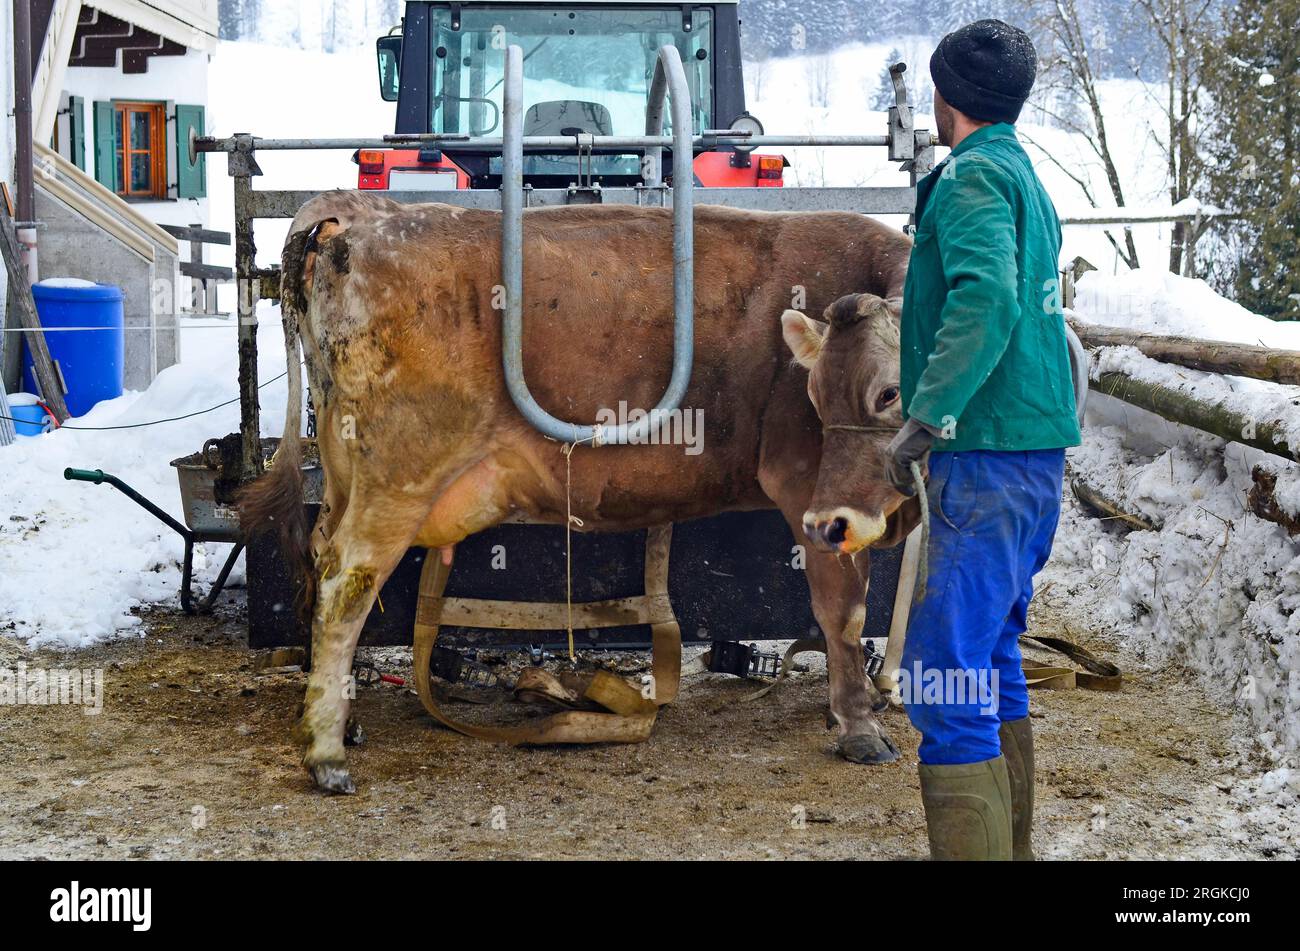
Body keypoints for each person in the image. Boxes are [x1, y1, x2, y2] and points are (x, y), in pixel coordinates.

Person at [884, 19, 1083, 861]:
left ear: (944, 96)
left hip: (985, 453)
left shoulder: (968, 180)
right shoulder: (1022, 174)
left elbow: (987, 298)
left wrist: (926, 413)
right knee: (993, 653)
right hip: (1034, 455)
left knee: (943, 673)